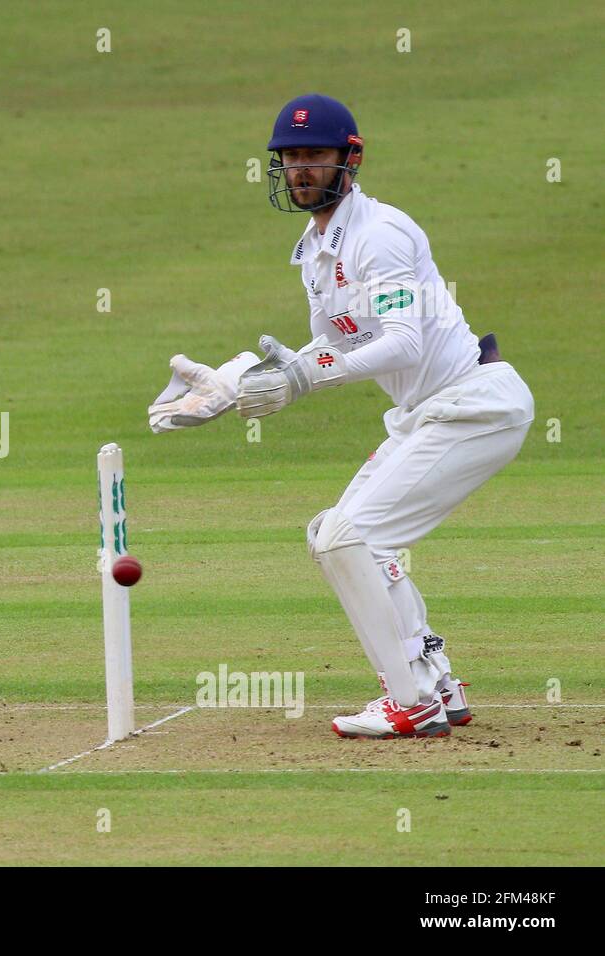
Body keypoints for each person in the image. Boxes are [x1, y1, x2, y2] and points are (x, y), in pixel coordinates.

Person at [148, 94, 534, 739]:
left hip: (472, 407)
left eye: (314, 156)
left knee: (349, 539)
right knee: (335, 531)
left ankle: (408, 700)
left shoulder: (379, 234)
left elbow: (404, 342)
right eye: (290, 158)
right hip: (429, 414)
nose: (300, 169)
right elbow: (331, 347)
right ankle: (433, 678)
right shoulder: (315, 247)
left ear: (348, 160)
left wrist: (302, 376)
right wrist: (232, 382)